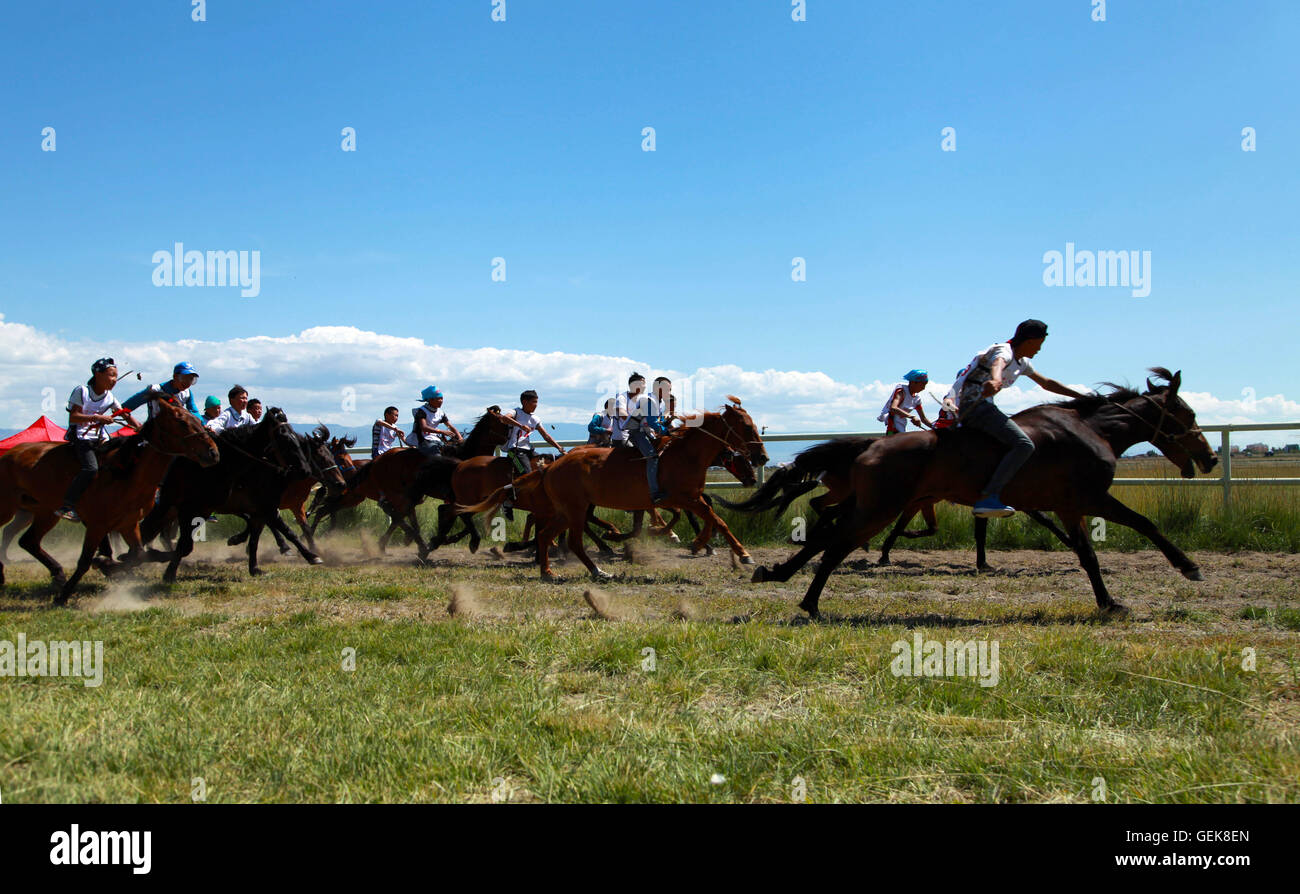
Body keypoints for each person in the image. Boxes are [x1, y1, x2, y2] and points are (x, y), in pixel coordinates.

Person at [954, 319, 1085, 518]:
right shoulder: (1004, 351)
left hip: (985, 407)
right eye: (1039, 344)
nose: (1039, 349)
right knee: (1024, 444)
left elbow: (1047, 383)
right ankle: (988, 496)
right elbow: (998, 364)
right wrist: (996, 380)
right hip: (975, 408)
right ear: (1030, 340)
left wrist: (1083, 397)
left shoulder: (1022, 363)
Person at [55, 358, 142, 522]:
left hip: (99, 437)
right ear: (98, 374)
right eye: (111, 375)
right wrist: (97, 417)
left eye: (116, 376)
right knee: (91, 469)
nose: (114, 380)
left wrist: (140, 427)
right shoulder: (82, 391)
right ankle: (67, 506)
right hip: (81, 436)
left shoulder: (110, 397)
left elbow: (125, 414)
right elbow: (73, 416)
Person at [500, 390, 567, 519]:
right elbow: (504, 418)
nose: (536, 405)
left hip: (529, 451)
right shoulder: (516, 412)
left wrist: (559, 448)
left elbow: (546, 436)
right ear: (525, 402)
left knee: (544, 470)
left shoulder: (535, 418)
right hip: (515, 450)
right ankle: (507, 500)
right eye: (534, 402)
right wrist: (521, 425)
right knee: (526, 474)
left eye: (537, 402)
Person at [623, 377, 668, 503]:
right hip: (637, 433)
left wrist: (667, 426)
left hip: (645, 432)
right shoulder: (649, 401)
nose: (668, 392)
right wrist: (666, 431)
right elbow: (653, 423)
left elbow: (660, 421)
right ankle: (654, 493)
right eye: (667, 389)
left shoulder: (659, 402)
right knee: (652, 457)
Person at [122, 361, 201, 421]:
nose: (187, 383)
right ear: (175, 377)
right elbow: (133, 402)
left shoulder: (187, 393)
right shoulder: (155, 390)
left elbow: (194, 411)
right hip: (155, 430)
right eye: (184, 378)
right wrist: (121, 410)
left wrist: (202, 424)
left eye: (191, 379)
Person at [405, 386, 461, 457]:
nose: (441, 401)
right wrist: (442, 431)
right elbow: (424, 427)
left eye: (441, 398)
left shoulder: (441, 412)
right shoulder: (422, 411)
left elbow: (450, 426)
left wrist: (460, 438)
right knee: (438, 458)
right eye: (438, 399)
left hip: (436, 439)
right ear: (430, 400)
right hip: (423, 440)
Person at [877, 369, 934, 434]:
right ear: (913, 382)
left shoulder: (917, 399)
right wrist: (912, 417)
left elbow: (923, 419)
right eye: (922, 384)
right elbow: (893, 408)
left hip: (902, 425)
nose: (924, 388)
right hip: (892, 427)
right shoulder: (902, 391)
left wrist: (936, 427)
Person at [610, 373, 648, 447]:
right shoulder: (621, 398)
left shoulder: (641, 400)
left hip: (635, 436)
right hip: (622, 438)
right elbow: (623, 415)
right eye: (643, 383)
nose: (645, 386)